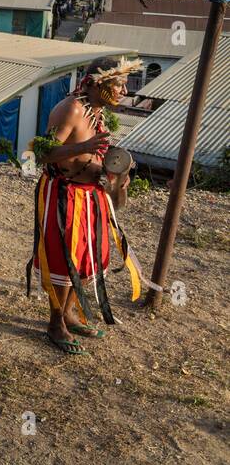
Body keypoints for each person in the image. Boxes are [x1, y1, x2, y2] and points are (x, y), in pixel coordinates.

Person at [30, 56, 144, 355]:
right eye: (119, 84)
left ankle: (68, 314)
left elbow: (95, 156)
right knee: (65, 261)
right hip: (64, 195)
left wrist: (114, 178)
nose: (125, 91)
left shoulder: (97, 112)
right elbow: (41, 154)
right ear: (99, 83)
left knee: (84, 260)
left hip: (90, 195)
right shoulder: (72, 109)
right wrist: (82, 148)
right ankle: (55, 324)